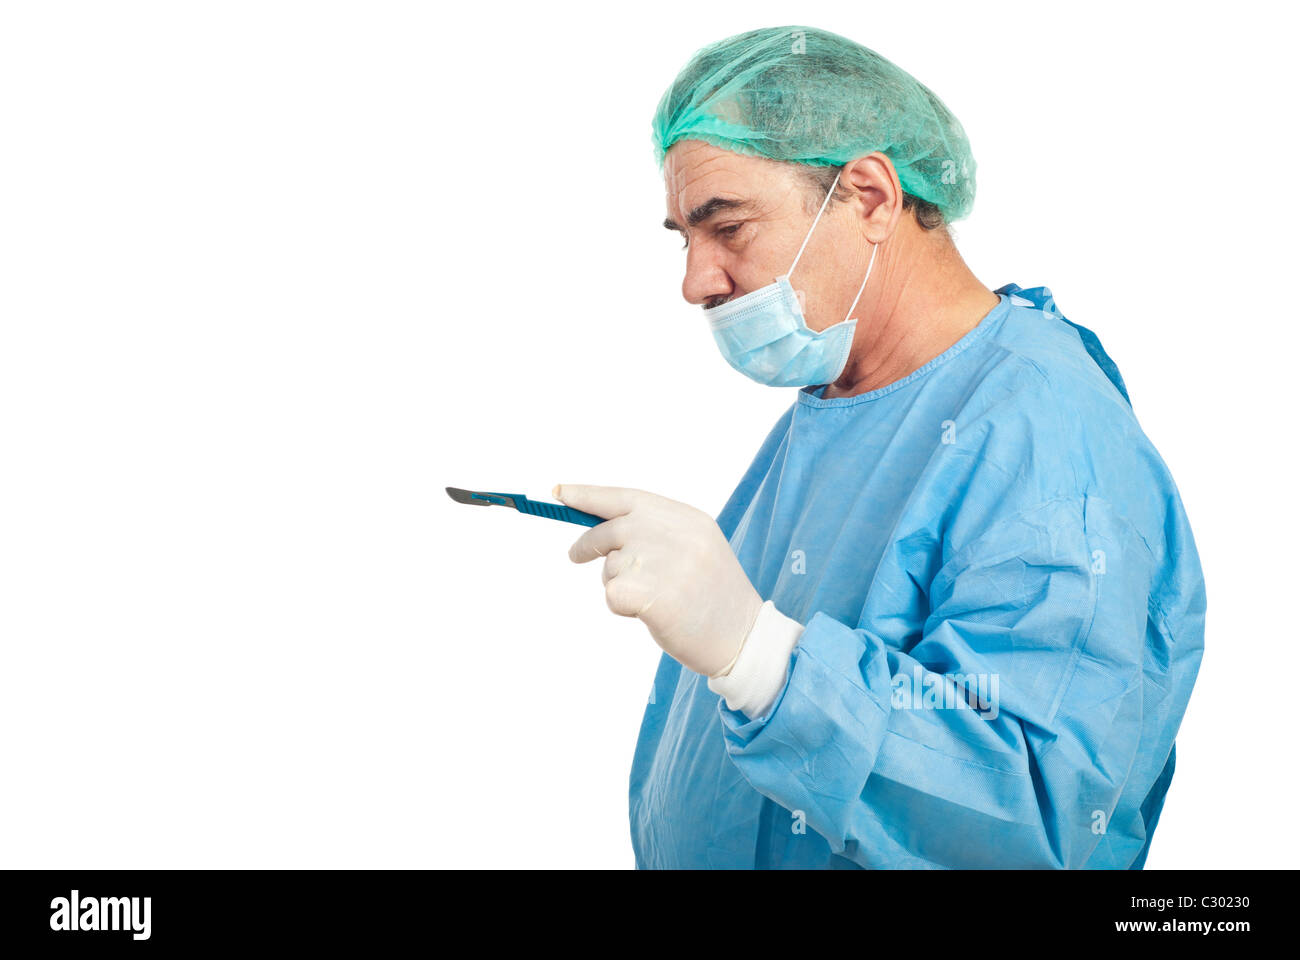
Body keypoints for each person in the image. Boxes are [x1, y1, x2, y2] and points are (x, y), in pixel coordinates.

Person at [556, 25, 1205, 869]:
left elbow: (1038, 814)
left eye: (727, 227)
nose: (695, 280)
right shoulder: (838, 405)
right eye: (684, 236)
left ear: (868, 197)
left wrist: (758, 658)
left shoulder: (1046, 431)